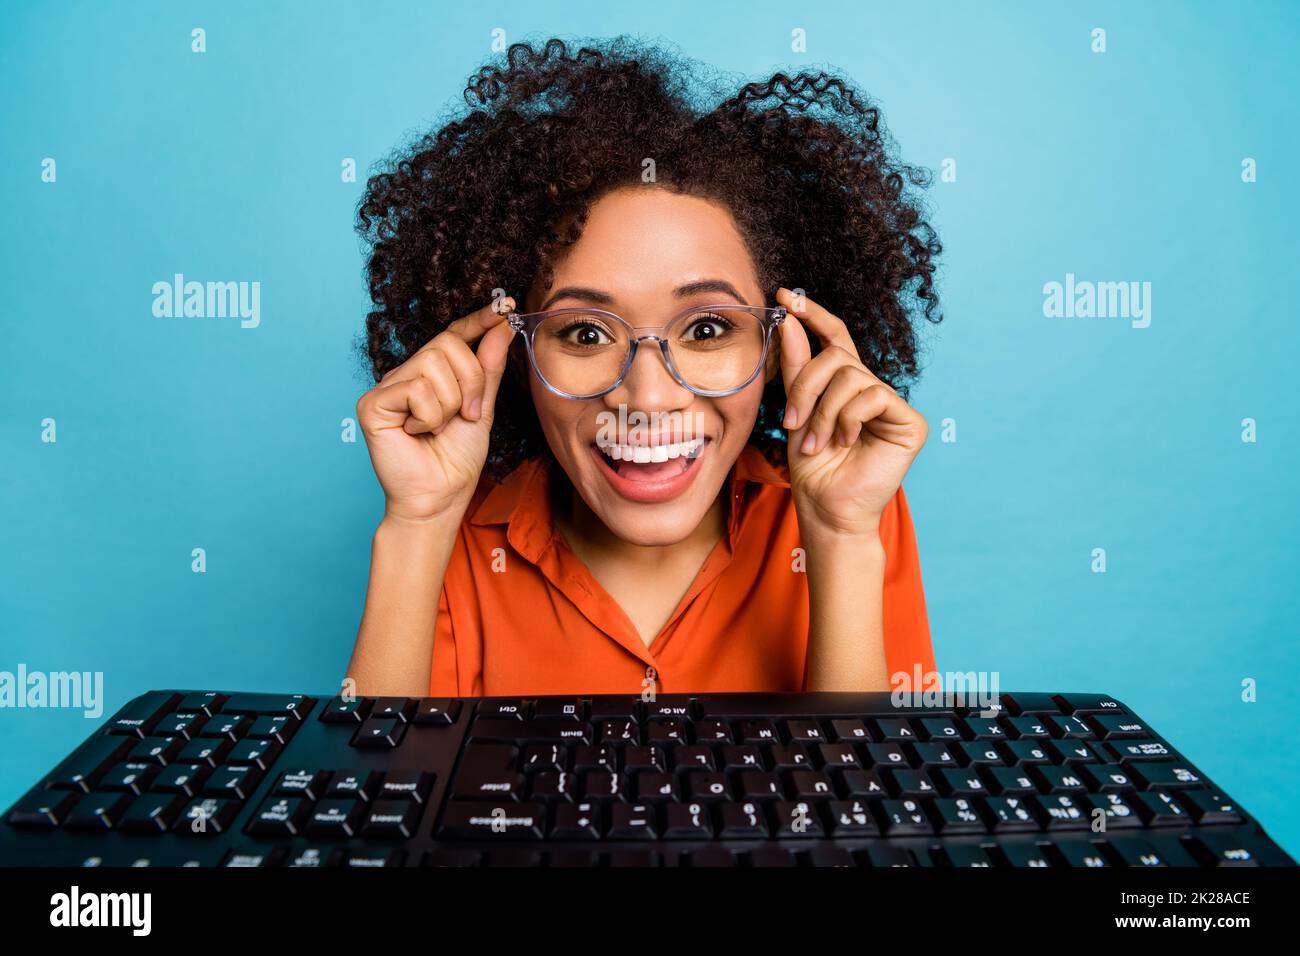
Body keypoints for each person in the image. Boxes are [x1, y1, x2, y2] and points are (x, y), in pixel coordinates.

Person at [346, 37, 943, 698]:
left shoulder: (854, 512)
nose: (648, 397)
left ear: (777, 349)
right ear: (514, 357)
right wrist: (418, 526)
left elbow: (863, 800)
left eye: (708, 329)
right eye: (583, 332)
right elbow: (383, 794)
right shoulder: (454, 534)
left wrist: (839, 539)